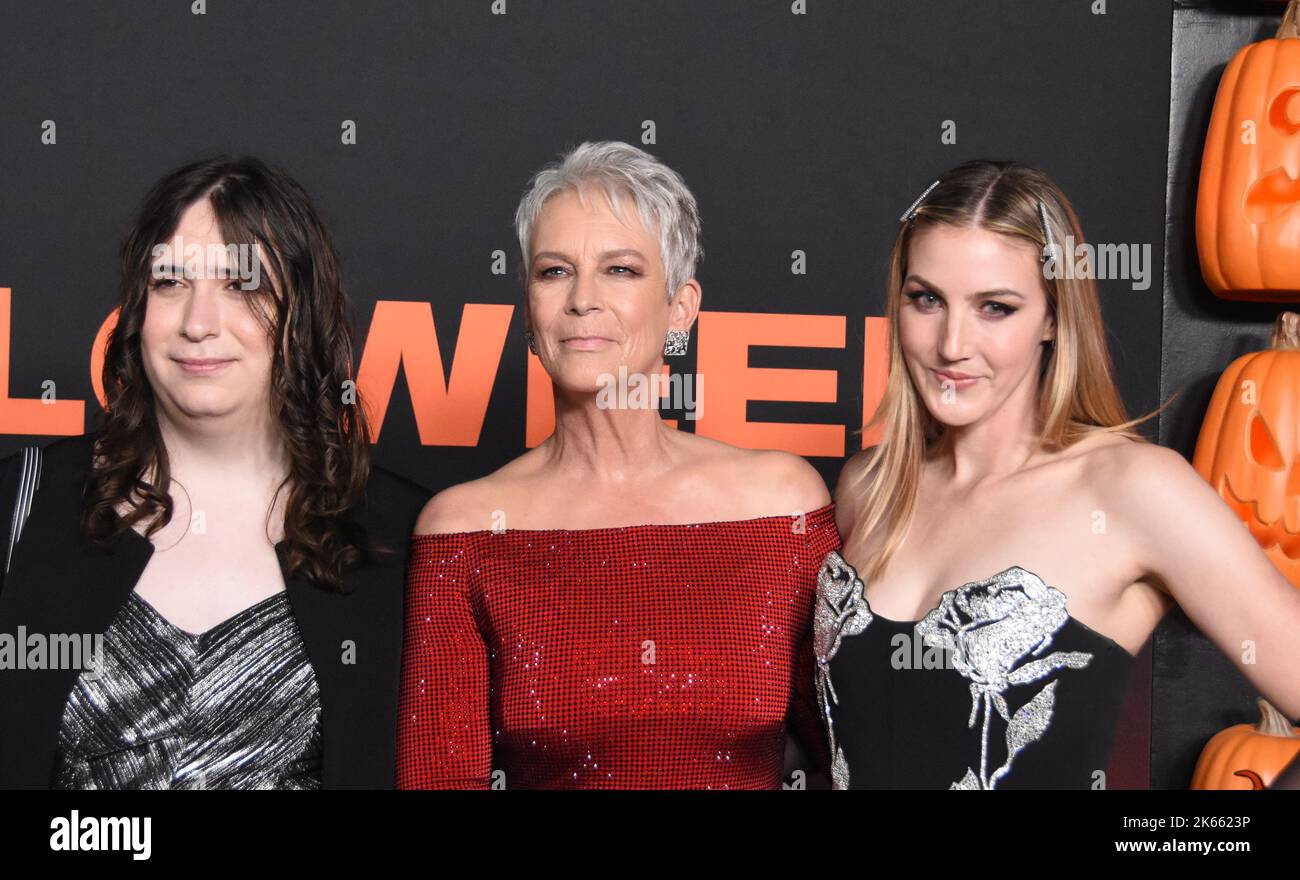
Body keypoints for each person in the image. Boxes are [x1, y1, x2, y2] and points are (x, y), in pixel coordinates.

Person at [816, 160, 1300, 789]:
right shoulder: (870, 486)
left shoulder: (1132, 489)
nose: (952, 344)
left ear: (1052, 317)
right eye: (927, 299)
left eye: (995, 307)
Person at [395, 141, 838, 789]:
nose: (582, 299)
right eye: (554, 271)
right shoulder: (462, 531)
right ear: (528, 307)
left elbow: (856, 755)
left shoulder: (783, 506)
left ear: (681, 306)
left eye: (621, 270)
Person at [0, 156, 428, 789]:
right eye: (171, 282)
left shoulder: (404, 538)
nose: (198, 323)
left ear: (302, 312)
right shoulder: (23, 503)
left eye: (240, 284)